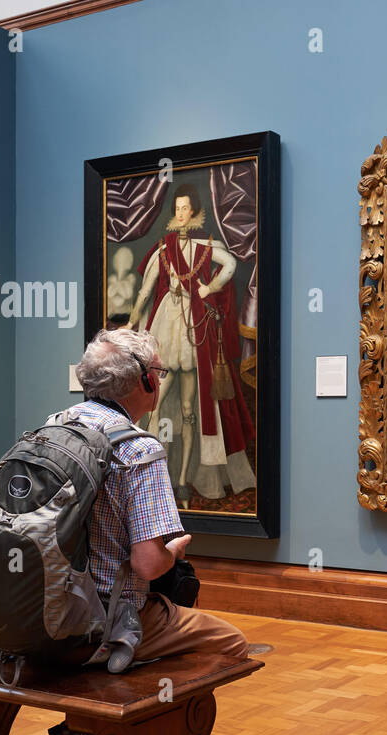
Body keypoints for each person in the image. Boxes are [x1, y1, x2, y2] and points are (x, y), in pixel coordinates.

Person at [69, 327, 250, 663]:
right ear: (147, 381)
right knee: (231, 644)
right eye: (159, 372)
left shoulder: (52, 427)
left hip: (42, 608)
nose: (161, 380)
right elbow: (149, 565)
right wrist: (172, 552)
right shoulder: (139, 449)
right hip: (105, 618)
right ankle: (134, 709)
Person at [128, 183, 256, 504]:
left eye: (186, 208)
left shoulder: (203, 247)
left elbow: (230, 265)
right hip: (166, 331)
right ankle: (156, 474)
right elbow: (145, 292)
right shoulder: (163, 248)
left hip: (192, 335)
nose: (181, 214)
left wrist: (207, 288)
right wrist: (131, 323)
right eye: (177, 208)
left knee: (188, 410)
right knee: (156, 408)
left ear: (194, 212)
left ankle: (183, 479)